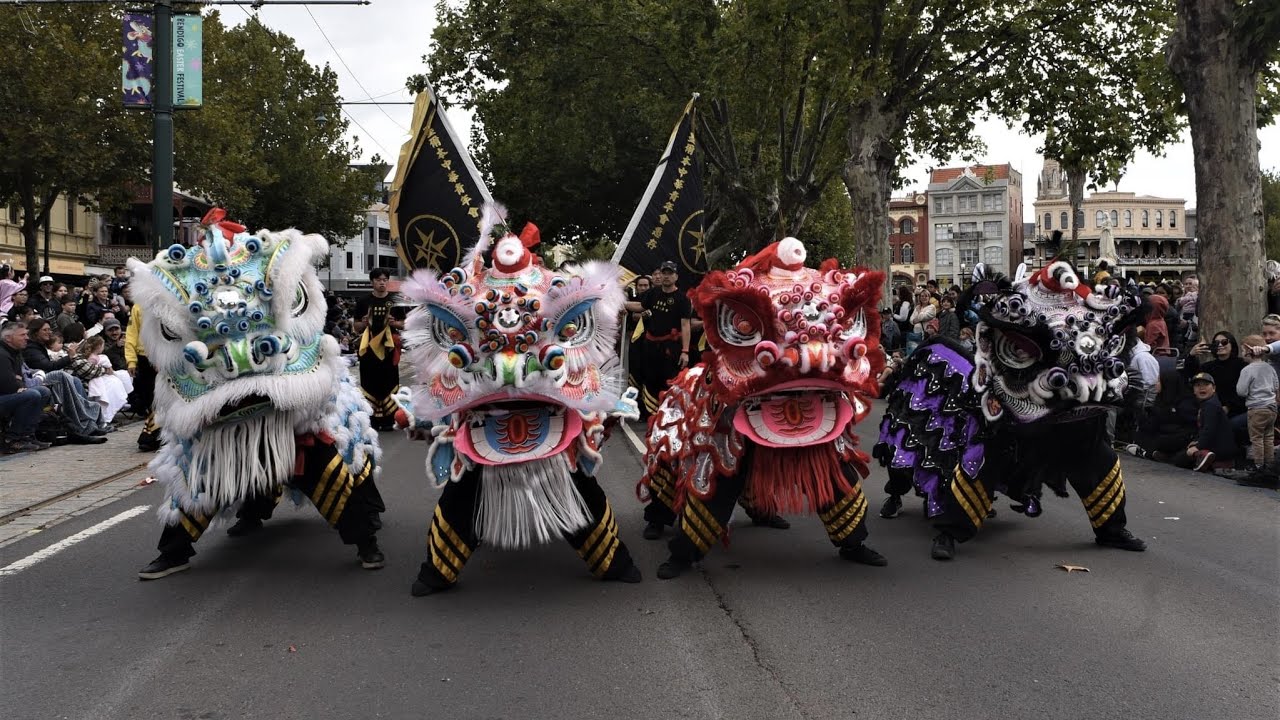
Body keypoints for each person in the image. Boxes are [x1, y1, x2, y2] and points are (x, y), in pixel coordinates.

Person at [623, 260, 692, 420]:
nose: (666, 276)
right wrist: (621, 303)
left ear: (676, 276)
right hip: (650, 346)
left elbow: (685, 326)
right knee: (650, 378)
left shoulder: (682, 299)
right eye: (664, 273)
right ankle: (650, 415)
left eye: (670, 273)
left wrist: (685, 351)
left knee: (668, 380)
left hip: (670, 347)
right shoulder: (653, 294)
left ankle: (668, 414)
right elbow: (640, 306)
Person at [352, 268, 406, 431]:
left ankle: (391, 419)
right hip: (368, 351)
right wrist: (364, 323)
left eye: (384, 279)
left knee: (390, 381)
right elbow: (356, 327)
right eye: (378, 280)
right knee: (369, 382)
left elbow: (404, 324)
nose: (382, 282)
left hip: (389, 350)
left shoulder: (395, 300)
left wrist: (394, 323)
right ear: (372, 282)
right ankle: (371, 420)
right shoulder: (363, 302)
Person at [0, 321, 51, 454]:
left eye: (26, 334)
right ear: (8, 338)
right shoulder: (2, 354)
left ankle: (27, 436)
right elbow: (8, 384)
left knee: (43, 391)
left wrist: (18, 383)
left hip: (7, 394)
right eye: (22, 335)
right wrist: (17, 383)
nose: (27, 338)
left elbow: (19, 379)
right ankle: (12, 440)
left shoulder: (16, 352)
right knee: (31, 395)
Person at [1235, 334, 1278, 484]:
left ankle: (1258, 466)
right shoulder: (1270, 368)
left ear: (1248, 350)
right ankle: (1270, 465)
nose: (1242, 354)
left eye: (1242, 350)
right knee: (1269, 437)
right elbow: (1276, 386)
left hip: (1256, 408)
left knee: (1257, 438)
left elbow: (1241, 391)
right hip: (1271, 408)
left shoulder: (1247, 370)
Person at [1177, 372, 1236, 472]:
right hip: (1217, 445)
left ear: (1214, 388)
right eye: (1197, 385)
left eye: (1206, 384)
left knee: (1181, 459)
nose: (1201, 388)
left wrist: (1198, 446)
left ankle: (1202, 455)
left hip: (1220, 448)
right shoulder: (1208, 403)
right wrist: (1196, 441)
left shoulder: (1211, 405)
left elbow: (1209, 430)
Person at [67, 335, 131, 424]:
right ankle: (103, 415)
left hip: (97, 377)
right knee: (111, 385)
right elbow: (91, 371)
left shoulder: (88, 356)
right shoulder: (83, 358)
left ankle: (107, 413)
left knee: (116, 382)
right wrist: (105, 370)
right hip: (90, 381)